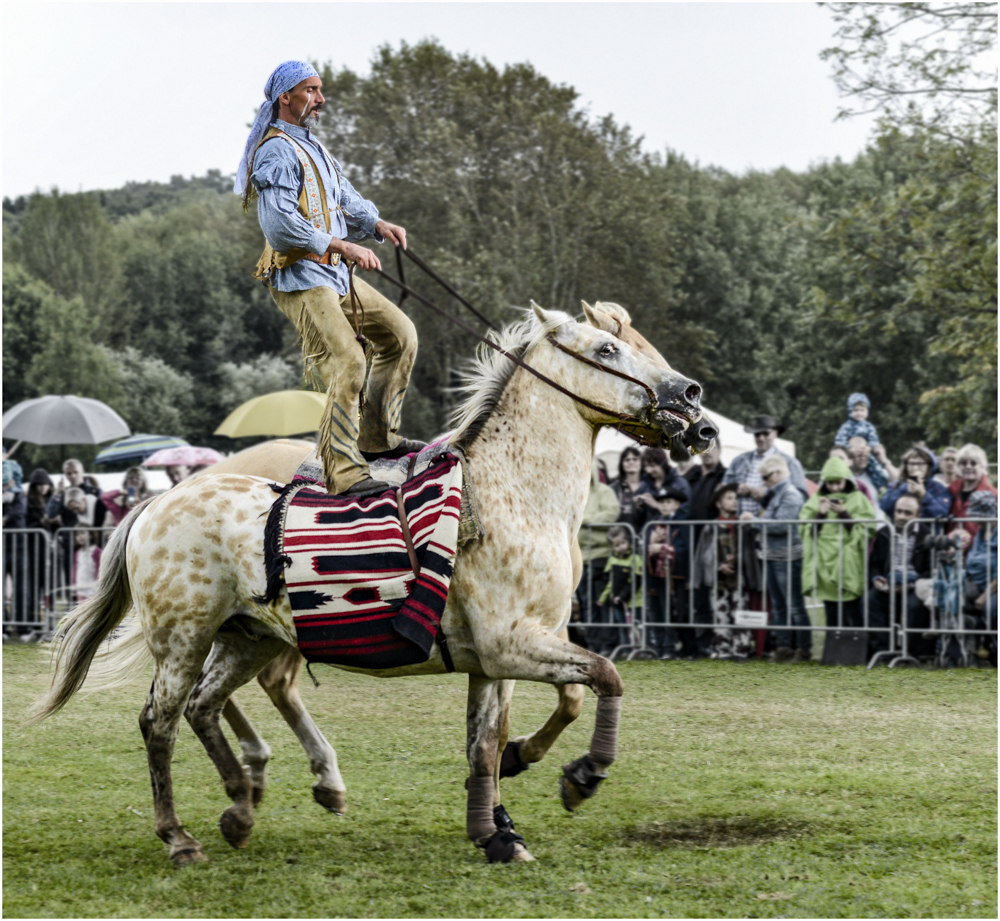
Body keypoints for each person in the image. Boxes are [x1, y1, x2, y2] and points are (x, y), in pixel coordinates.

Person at [237, 61, 420, 496]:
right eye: (312, 90)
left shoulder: (312, 147)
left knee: (401, 335)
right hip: (301, 275)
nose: (320, 99)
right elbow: (279, 225)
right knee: (349, 360)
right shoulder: (275, 150)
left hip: (334, 271)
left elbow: (344, 197)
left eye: (320, 90)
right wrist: (343, 246)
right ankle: (342, 471)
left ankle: (377, 440)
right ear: (287, 97)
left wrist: (377, 225)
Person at [744, 455, 812, 663]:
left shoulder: (791, 495)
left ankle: (803, 649)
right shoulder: (776, 495)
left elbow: (781, 525)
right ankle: (783, 648)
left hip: (789, 557)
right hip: (774, 556)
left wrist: (754, 521)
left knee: (795, 606)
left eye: (766, 477)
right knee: (780, 605)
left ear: (779, 473)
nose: (764, 482)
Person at [799, 456, 877, 632]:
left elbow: (866, 530)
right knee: (831, 610)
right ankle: (834, 648)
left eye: (838, 483)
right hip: (825, 564)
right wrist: (820, 514)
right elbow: (807, 531)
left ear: (847, 480)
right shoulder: (815, 501)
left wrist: (844, 514)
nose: (834, 488)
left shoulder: (858, 499)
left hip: (849, 563)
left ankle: (858, 646)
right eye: (830, 483)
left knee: (853, 609)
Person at [691, 484, 755, 660]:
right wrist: (719, 565)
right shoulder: (711, 527)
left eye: (736, 498)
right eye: (729, 498)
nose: (734, 501)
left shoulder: (741, 525)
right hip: (718, 579)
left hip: (739, 578)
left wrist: (738, 559)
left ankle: (740, 649)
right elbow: (704, 555)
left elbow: (749, 551)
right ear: (719, 504)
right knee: (720, 614)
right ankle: (723, 649)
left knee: (740, 612)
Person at [866, 493, 933, 660]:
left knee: (914, 606)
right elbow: (874, 564)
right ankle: (884, 650)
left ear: (918, 516)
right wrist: (876, 580)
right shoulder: (884, 533)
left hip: (916, 585)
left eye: (908, 513)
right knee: (869, 601)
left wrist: (909, 585)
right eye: (899, 511)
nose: (902, 516)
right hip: (888, 584)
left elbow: (931, 570)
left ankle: (910, 653)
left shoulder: (927, 536)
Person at [722, 414, 807, 518]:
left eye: (766, 433)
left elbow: (802, 497)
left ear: (775, 433)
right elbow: (722, 489)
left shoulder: (791, 463)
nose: (761, 438)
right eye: (757, 434)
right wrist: (736, 489)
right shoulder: (738, 461)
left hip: (773, 526)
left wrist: (769, 493)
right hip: (740, 524)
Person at [576, 459, 620, 655]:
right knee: (586, 603)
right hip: (581, 556)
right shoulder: (578, 491)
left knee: (600, 601)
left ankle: (605, 643)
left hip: (600, 555)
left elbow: (612, 513)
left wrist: (585, 521)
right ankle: (593, 643)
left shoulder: (604, 492)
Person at [643, 489, 690, 658]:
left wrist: (662, 548)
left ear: (677, 504)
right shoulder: (654, 523)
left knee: (670, 611)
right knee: (656, 611)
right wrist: (652, 544)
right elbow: (645, 547)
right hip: (654, 575)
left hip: (673, 576)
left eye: (668, 502)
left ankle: (670, 647)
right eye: (661, 502)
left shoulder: (682, 522)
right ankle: (660, 646)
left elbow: (686, 549)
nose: (664, 505)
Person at [597, 526, 644, 655]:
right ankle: (627, 650)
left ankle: (641, 648)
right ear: (612, 547)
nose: (621, 547)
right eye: (617, 545)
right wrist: (603, 598)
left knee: (638, 626)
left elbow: (636, 581)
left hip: (635, 601)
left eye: (623, 543)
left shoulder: (635, 558)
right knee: (623, 627)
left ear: (628, 541)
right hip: (617, 600)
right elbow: (609, 582)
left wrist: (623, 596)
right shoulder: (612, 560)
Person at [963, 491, 997, 666]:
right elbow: (972, 563)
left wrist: (984, 596)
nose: (973, 520)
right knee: (952, 598)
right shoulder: (980, 534)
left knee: (992, 607)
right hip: (977, 584)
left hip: (994, 588)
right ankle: (966, 655)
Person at [880, 446, 951, 521]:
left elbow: (942, 514)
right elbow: (885, 506)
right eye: (911, 464)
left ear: (929, 467)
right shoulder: (895, 485)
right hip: (900, 531)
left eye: (920, 464)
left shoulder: (939, 489)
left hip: (928, 531)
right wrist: (905, 487)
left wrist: (923, 495)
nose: (915, 468)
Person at [948, 444, 997, 542]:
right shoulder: (951, 490)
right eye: (964, 463)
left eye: (973, 463)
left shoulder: (993, 494)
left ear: (982, 466)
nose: (968, 466)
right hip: (951, 549)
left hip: (978, 550)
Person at [686, 441, 727, 538]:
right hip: (688, 535)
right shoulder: (690, 475)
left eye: (711, 447)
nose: (707, 452)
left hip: (714, 536)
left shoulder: (726, 477)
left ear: (719, 450)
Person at [612, 446, 647, 533]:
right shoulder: (613, 488)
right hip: (621, 542)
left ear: (641, 462)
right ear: (622, 464)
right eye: (627, 460)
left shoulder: (649, 487)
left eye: (635, 459)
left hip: (647, 540)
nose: (631, 462)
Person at [72, 527, 102, 604]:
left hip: (93, 589)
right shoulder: (78, 553)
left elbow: (100, 567)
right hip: (81, 588)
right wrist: (74, 584)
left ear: (91, 535)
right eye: (77, 535)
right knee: (82, 610)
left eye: (82, 533)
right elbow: (75, 570)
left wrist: (99, 583)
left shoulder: (96, 551)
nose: (80, 537)